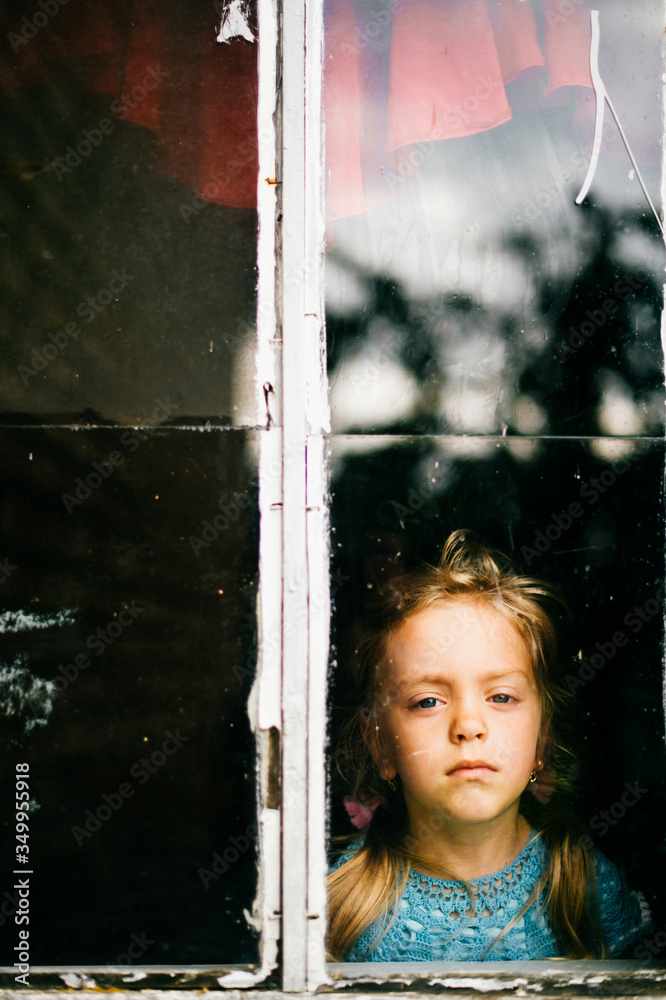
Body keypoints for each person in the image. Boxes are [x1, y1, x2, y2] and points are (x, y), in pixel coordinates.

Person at [327, 529, 651, 962]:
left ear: (543, 738)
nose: (468, 725)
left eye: (501, 697)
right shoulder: (339, 905)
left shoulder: (582, 887)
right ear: (381, 748)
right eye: (427, 701)